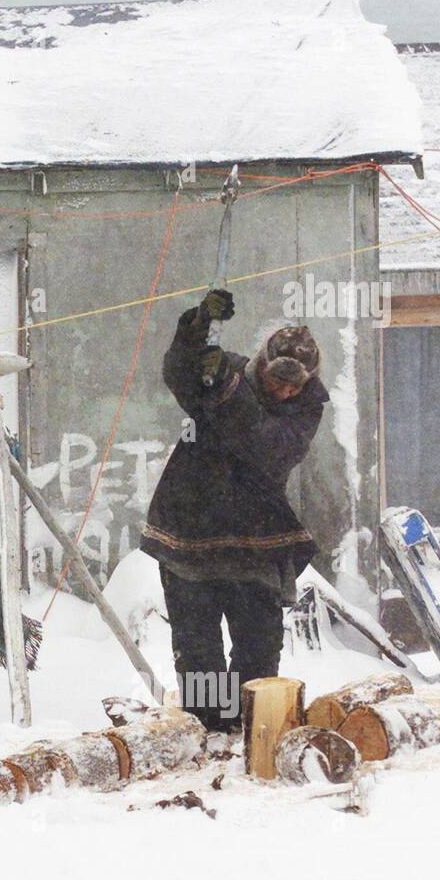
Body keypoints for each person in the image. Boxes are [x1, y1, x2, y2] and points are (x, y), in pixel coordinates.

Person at [140, 289, 328, 731]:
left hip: (256, 536)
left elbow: (268, 448)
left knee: (259, 647)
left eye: (292, 385)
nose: (283, 391)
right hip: (189, 528)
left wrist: (227, 390)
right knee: (196, 648)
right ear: (261, 365)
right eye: (276, 380)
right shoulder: (227, 376)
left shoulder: (305, 407)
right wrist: (196, 329)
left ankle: (254, 732)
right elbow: (179, 375)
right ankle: (207, 732)